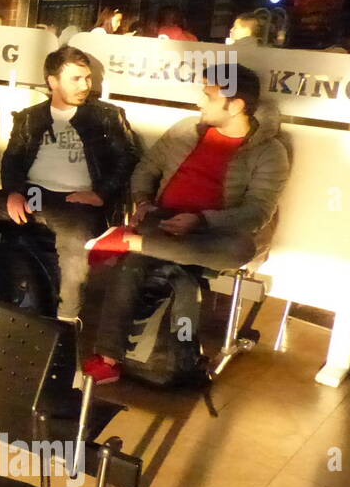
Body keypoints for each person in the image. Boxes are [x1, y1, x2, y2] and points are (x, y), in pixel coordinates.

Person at [83, 66, 290, 384]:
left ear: (235, 105)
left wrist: (202, 219)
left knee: (239, 249)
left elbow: (257, 212)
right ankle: (108, 357)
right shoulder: (185, 130)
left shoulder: (269, 152)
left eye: (208, 96)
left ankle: (133, 242)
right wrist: (143, 202)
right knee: (135, 262)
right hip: (163, 221)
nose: (199, 103)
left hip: (215, 232)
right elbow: (147, 167)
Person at [0, 46, 139, 322]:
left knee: (74, 244)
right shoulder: (31, 117)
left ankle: (66, 320)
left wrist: (101, 194)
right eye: (76, 79)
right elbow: (13, 159)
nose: (85, 85)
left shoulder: (105, 116)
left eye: (87, 78)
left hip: (76, 198)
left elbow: (125, 158)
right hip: (34, 192)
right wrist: (14, 193)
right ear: (53, 82)